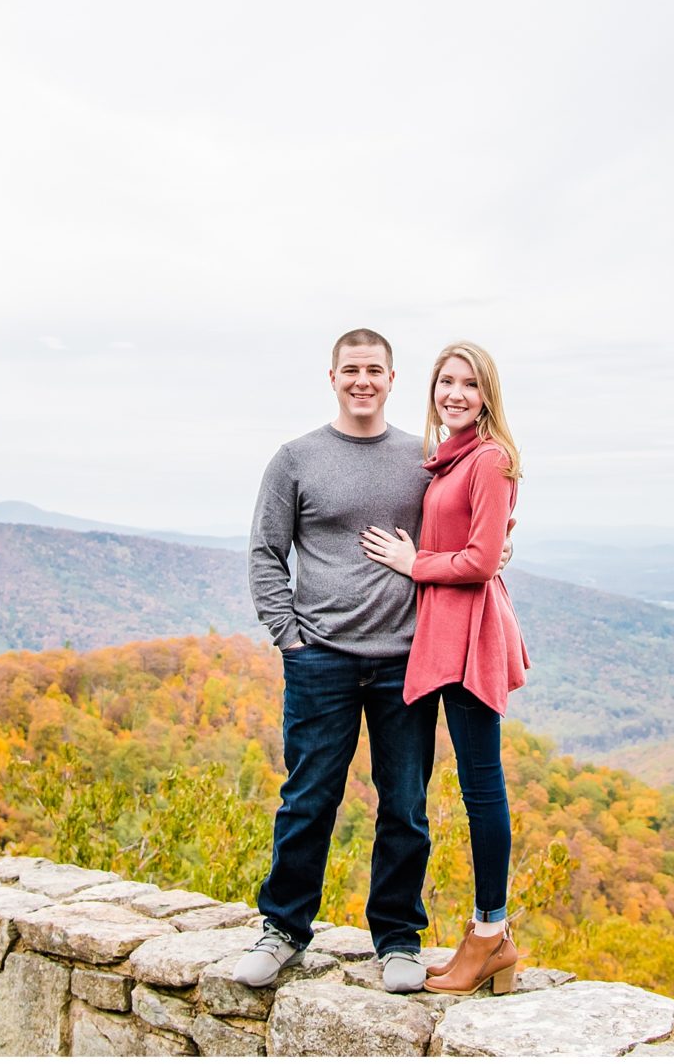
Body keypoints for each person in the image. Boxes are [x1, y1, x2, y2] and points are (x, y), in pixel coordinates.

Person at [234, 328, 510, 995]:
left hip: (405, 660)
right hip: (320, 658)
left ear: (392, 379)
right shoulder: (295, 459)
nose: (363, 380)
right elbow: (266, 552)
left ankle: (396, 938)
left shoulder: (425, 458)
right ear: (332, 377)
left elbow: (467, 525)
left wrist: (496, 554)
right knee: (308, 799)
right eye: (351, 369)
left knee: (405, 806)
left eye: (375, 370)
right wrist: (288, 636)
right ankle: (283, 929)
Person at [361, 340, 529, 996]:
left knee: (481, 786)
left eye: (468, 384)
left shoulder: (488, 458)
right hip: (441, 636)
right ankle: (487, 936)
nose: (454, 393)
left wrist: (414, 563)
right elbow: (482, 541)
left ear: (487, 394)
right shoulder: (450, 459)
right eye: (445, 383)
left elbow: (481, 561)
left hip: (470, 638)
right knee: (453, 787)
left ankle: (490, 934)